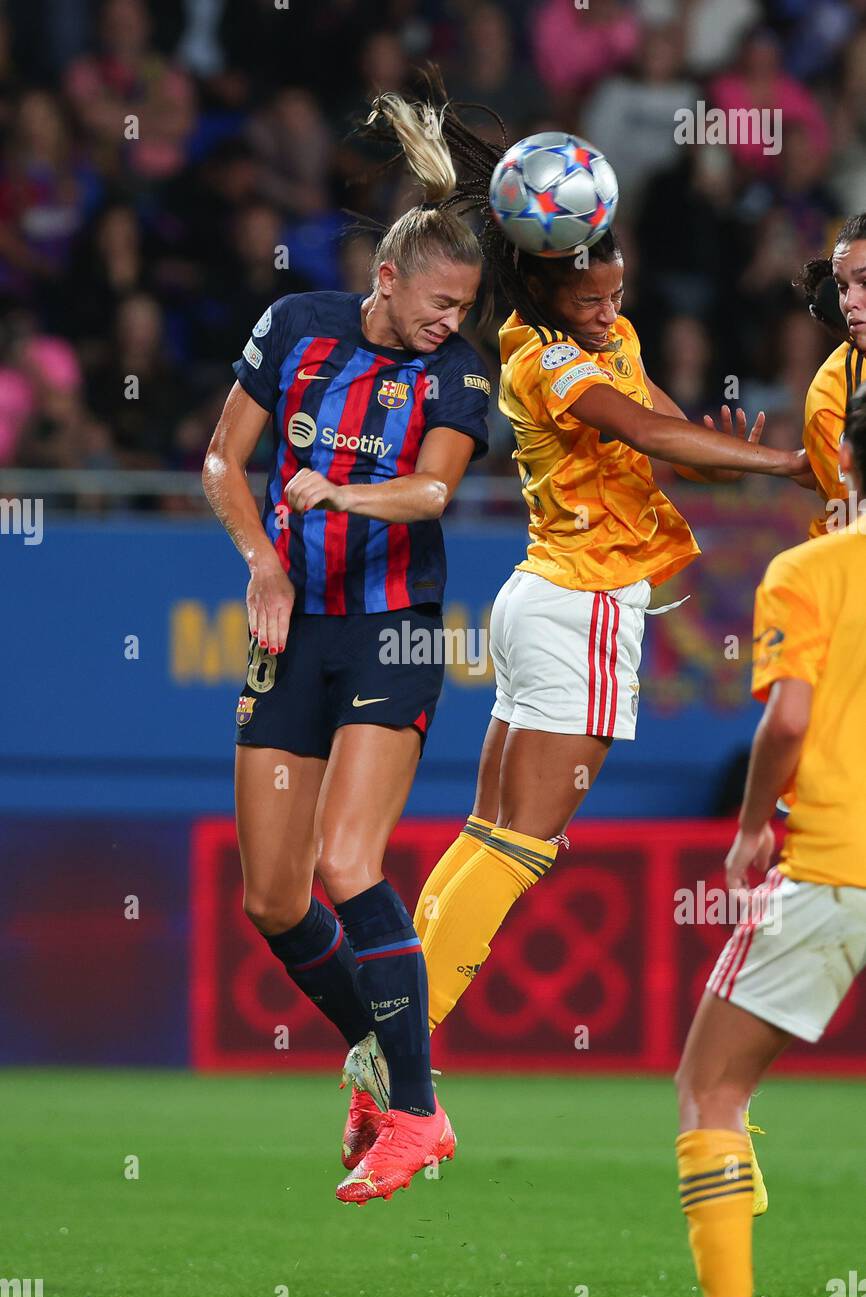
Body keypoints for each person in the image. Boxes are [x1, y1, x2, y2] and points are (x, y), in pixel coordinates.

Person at [342, 90, 812, 1210]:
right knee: (520, 849)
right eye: (590, 295)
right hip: (586, 606)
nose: (608, 309)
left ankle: (383, 1064)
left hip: (539, 598)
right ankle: (400, 1089)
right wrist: (787, 464)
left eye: (616, 292)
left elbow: (664, 434)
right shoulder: (541, 360)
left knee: (489, 837)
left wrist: (724, 453)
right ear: (547, 284)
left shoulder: (579, 334)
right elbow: (645, 428)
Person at [201, 94, 491, 1205]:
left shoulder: (454, 374)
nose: (447, 320)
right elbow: (225, 463)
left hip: (393, 629)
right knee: (273, 898)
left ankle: (417, 1110)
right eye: (436, 301)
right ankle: (381, 1057)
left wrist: (340, 492)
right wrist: (260, 562)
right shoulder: (294, 328)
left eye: (462, 306)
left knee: (346, 862)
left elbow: (431, 490)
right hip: (292, 627)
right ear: (383, 280)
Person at [674, 381, 866, 1297]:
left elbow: (787, 723)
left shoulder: (810, 569)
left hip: (837, 866)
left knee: (711, 1088)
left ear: (848, 464)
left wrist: (752, 823)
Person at [799, 212, 866, 536]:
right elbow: (858, 512)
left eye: (865, 283)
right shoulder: (833, 394)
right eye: (842, 287)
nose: (851, 302)